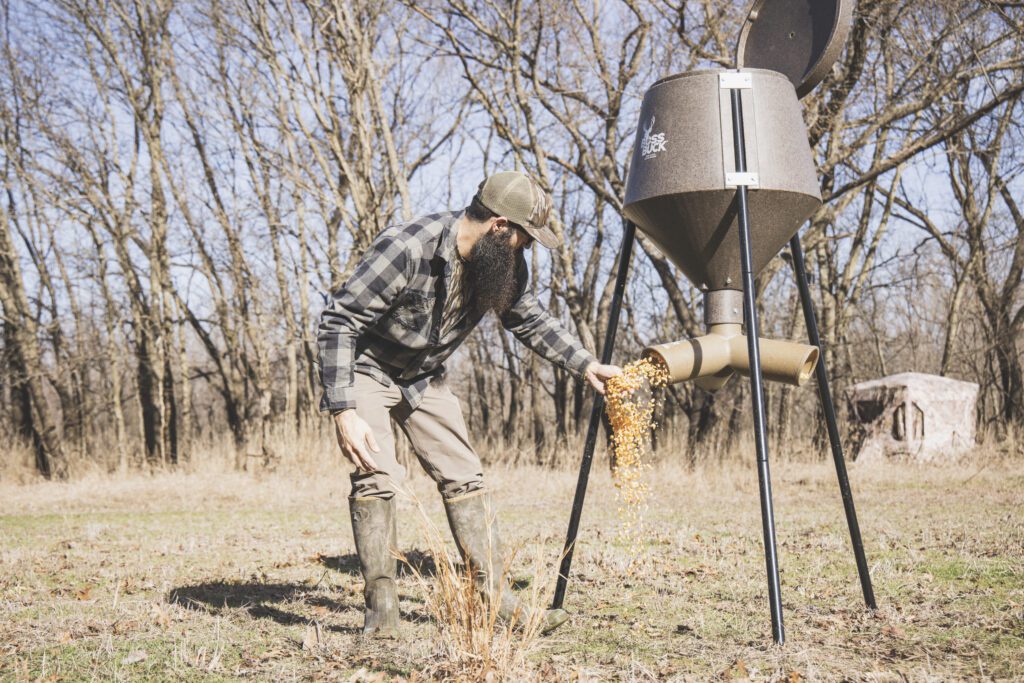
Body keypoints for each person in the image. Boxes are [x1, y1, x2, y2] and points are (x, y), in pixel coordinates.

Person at [318, 171, 621, 637]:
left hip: (423, 376)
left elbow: (529, 319)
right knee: (376, 475)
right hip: (368, 368)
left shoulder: (501, 265)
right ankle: (382, 615)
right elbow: (339, 321)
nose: (527, 248)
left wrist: (585, 365)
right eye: (525, 237)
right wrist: (345, 410)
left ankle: (496, 603)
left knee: (465, 475)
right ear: (499, 226)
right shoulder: (407, 247)